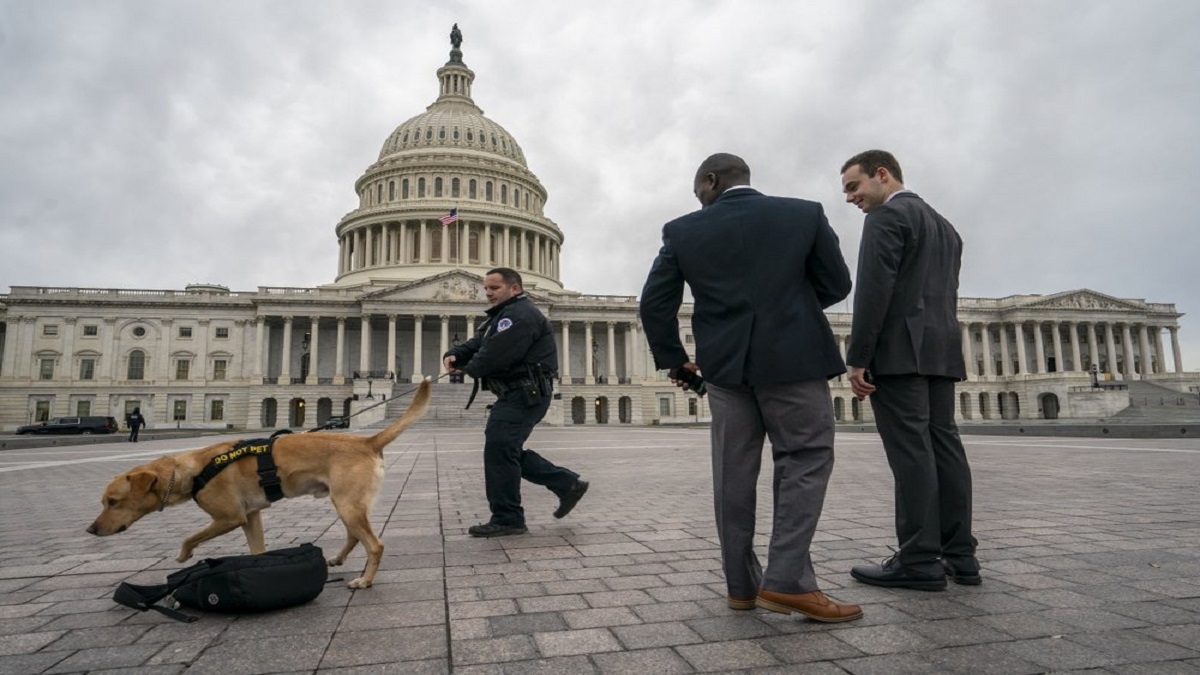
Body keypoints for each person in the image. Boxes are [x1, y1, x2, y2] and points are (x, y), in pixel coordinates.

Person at [640, 153, 862, 622]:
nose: (697, 198)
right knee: (804, 458)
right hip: (794, 359)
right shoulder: (803, 213)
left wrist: (676, 361)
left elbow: (654, 304)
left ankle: (741, 587)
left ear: (712, 180)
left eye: (698, 188)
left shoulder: (682, 230)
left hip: (724, 367)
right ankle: (785, 581)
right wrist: (791, 308)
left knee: (732, 475)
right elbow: (837, 283)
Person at [840, 149, 979, 590]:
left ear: (882, 175)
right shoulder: (946, 227)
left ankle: (918, 558)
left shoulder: (885, 218)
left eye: (853, 186)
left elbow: (873, 292)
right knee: (946, 450)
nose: (850, 198)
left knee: (911, 455)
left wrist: (858, 356)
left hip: (899, 355)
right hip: (941, 351)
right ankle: (961, 556)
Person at [444, 267, 589, 537]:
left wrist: (468, 368)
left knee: (500, 449)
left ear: (515, 288)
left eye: (494, 288)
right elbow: (480, 342)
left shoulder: (520, 315)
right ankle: (567, 484)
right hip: (518, 393)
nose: (488, 293)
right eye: (486, 288)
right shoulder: (501, 316)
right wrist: (456, 353)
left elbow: (497, 353)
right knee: (503, 450)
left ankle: (509, 517)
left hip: (526, 393)